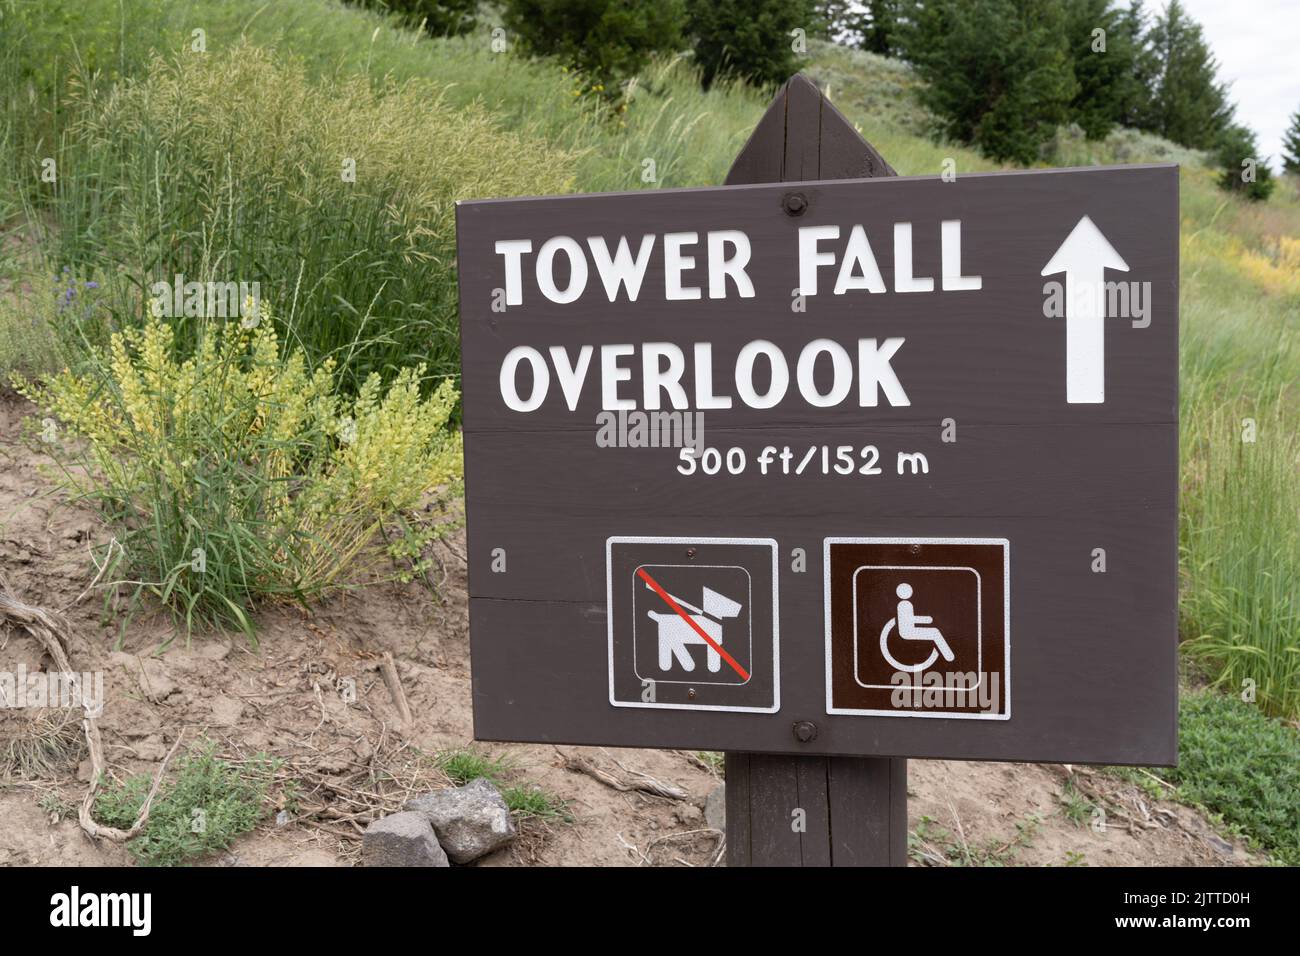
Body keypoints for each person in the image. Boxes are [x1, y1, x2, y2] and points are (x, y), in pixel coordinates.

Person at [894, 583, 954, 662]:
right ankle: (948, 656)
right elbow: (908, 620)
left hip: (911, 629)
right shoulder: (904, 605)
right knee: (934, 632)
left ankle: (948, 655)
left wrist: (926, 620)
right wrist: (927, 619)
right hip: (908, 632)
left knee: (934, 631)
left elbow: (910, 620)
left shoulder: (905, 604)